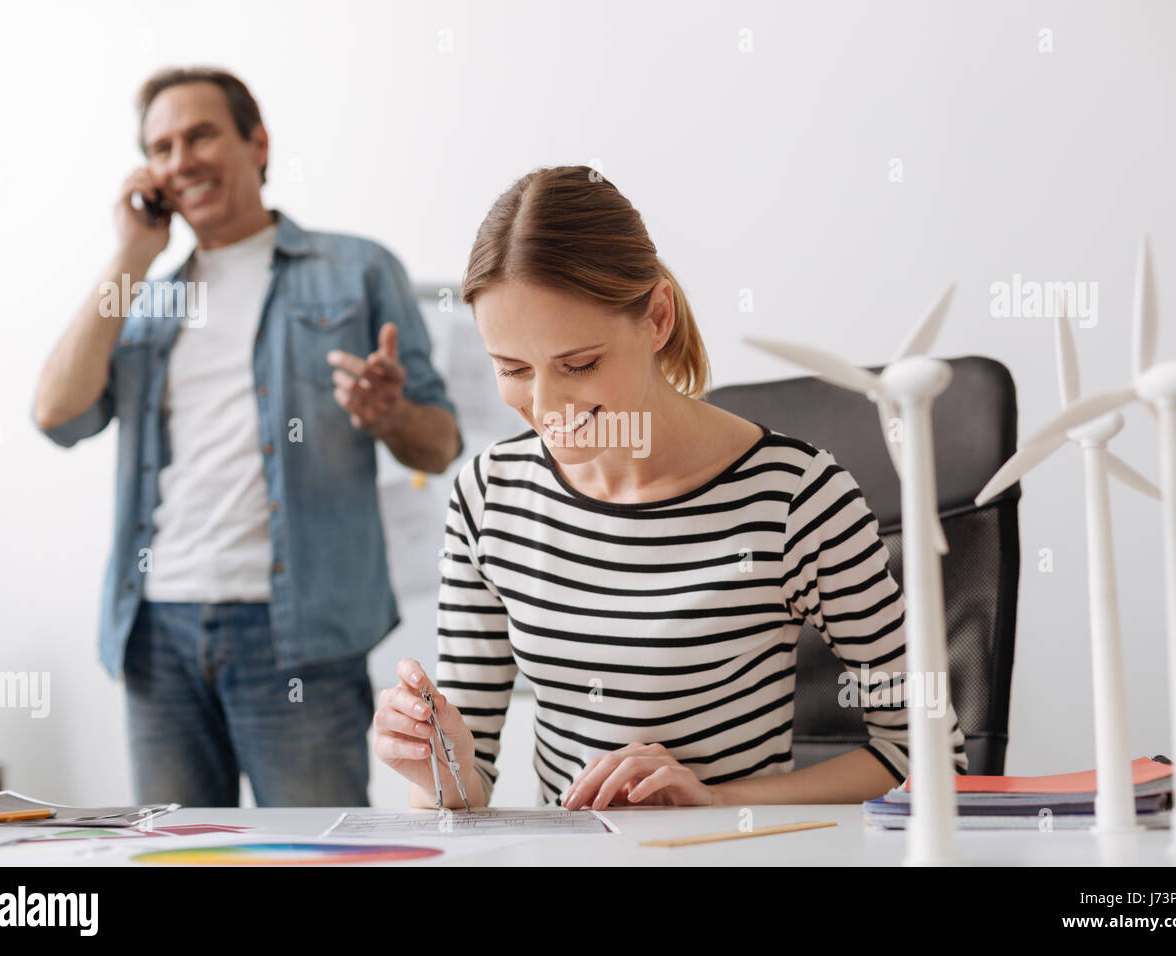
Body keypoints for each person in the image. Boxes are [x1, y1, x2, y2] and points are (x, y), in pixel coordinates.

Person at [371, 165, 967, 810]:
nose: (547, 407)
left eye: (579, 364)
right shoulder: (490, 495)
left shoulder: (798, 499)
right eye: (512, 369)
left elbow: (930, 753)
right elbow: (467, 786)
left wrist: (717, 802)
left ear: (657, 318)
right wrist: (436, 769)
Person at [33, 67, 461, 807]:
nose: (181, 159)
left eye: (200, 134)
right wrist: (131, 256)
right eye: (161, 147)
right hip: (155, 633)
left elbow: (442, 442)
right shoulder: (148, 298)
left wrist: (387, 414)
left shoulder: (357, 270)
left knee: (319, 864)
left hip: (299, 638)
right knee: (175, 860)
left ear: (256, 142)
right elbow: (57, 414)